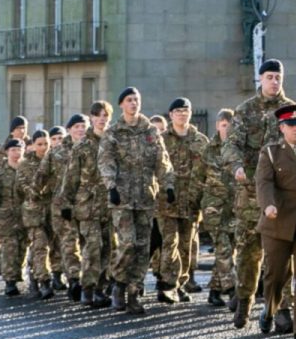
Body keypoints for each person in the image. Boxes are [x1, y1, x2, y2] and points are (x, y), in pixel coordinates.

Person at [225, 60, 292, 322]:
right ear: (260, 79)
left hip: (282, 193)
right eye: (270, 77)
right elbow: (231, 144)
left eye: (278, 77)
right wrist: (236, 166)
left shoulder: (291, 110)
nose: (274, 81)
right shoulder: (246, 110)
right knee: (248, 252)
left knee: (281, 254)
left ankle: (281, 307)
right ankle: (244, 300)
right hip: (251, 193)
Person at [100, 86, 172, 315]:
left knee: (143, 247)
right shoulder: (113, 132)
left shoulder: (150, 130)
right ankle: (119, 284)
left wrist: (168, 185)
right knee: (127, 242)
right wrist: (111, 186)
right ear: (121, 104)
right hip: (121, 197)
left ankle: (134, 292)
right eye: (130, 100)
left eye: (137, 100)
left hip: (145, 197)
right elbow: (105, 161)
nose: (134, 103)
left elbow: (163, 160)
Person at [255, 101, 296, 339]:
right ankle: (270, 309)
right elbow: (264, 182)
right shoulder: (271, 152)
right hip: (277, 221)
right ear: (282, 127)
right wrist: (268, 204)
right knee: (275, 275)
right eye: (291, 125)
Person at [63, 102, 116, 308]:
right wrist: (66, 202)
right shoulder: (83, 145)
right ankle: (88, 288)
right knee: (93, 248)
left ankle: (101, 289)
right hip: (87, 204)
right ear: (91, 118)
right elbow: (71, 176)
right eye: (98, 115)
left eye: (105, 115)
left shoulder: (113, 142)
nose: (102, 119)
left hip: (110, 205)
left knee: (108, 249)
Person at [156, 97, 208, 304]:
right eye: (177, 111)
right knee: (170, 243)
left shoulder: (200, 140)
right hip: (166, 202)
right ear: (171, 115)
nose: (182, 114)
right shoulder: (161, 139)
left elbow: (209, 171)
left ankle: (180, 282)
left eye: (185, 111)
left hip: (192, 202)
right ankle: (167, 285)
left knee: (187, 247)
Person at [49, 114, 90, 300]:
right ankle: (74, 279)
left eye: (83, 126)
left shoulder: (94, 148)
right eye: (77, 126)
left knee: (89, 245)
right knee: (69, 244)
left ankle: (90, 280)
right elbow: (41, 176)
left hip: (88, 205)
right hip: (63, 206)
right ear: (70, 129)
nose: (80, 129)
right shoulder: (57, 152)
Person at [201, 108, 238, 308]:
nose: (227, 129)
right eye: (223, 125)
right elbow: (198, 178)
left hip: (233, 208)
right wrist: (192, 205)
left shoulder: (237, 148)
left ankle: (214, 291)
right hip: (213, 208)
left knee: (228, 250)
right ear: (217, 126)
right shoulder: (209, 149)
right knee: (223, 249)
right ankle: (234, 291)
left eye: (230, 125)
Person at [0, 137, 28, 297]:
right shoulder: (0, 174)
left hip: (26, 216)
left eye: (19, 150)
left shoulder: (28, 171)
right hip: (5, 217)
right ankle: (9, 281)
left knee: (22, 248)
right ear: (7, 152)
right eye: (13, 150)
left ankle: (17, 275)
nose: (16, 153)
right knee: (9, 249)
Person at [18, 131, 57, 298]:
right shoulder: (25, 164)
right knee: (40, 245)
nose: (43, 148)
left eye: (46, 144)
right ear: (33, 145)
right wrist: (36, 190)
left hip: (52, 210)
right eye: (39, 144)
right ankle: (44, 281)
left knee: (52, 247)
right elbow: (22, 186)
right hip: (34, 211)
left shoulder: (55, 161)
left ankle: (35, 273)